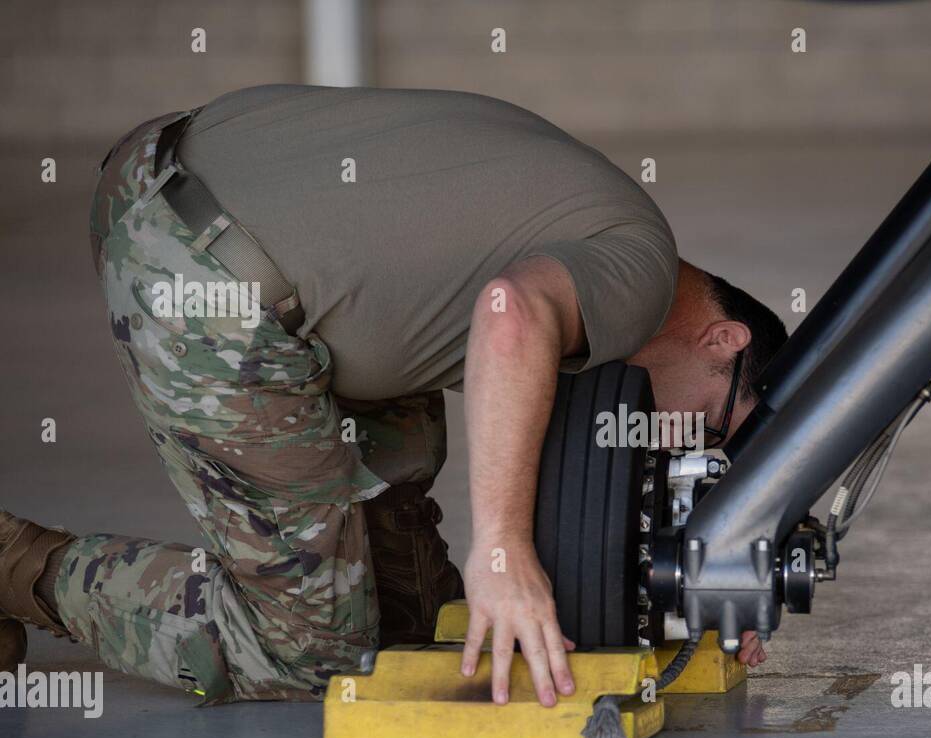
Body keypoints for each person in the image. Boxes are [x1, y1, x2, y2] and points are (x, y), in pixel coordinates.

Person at [0, 85, 787, 706]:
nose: (683, 442)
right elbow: (509, 316)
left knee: (409, 617)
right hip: (202, 272)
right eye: (711, 427)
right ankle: (17, 565)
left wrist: (701, 593)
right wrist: (503, 549)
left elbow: (574, 476)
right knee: (316, 653)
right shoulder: (640, 276)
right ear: (724, 341)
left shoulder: (610, 236)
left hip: (201, 178)